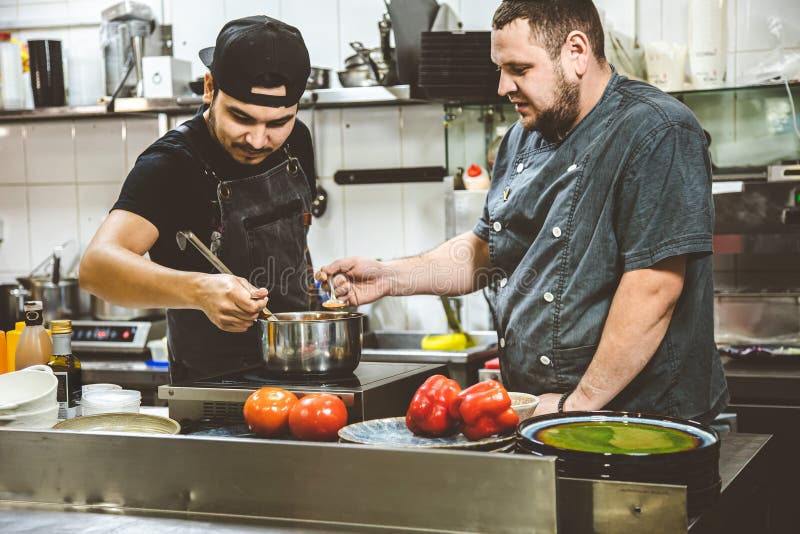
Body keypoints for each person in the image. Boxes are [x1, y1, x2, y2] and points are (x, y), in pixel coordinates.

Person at [318, 0, 728, 423]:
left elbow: (654, 288)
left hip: (640, 421)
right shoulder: (521, 137)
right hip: (542, 412)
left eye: (518, 69)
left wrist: (581, 401)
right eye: (500, 68)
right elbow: (485, 252)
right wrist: (389, 277)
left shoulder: (658, 130)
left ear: (576, 52)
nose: (502, 86)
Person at [80, 16, 317, 382]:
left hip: (302, 370)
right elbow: (96, 268)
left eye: (277, 123)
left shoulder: (296, 141)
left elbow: (292, 240)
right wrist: (199, 290)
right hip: (213, 389)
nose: (258, 140)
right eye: (241, 118)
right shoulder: (172, 164)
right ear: (210, 88)